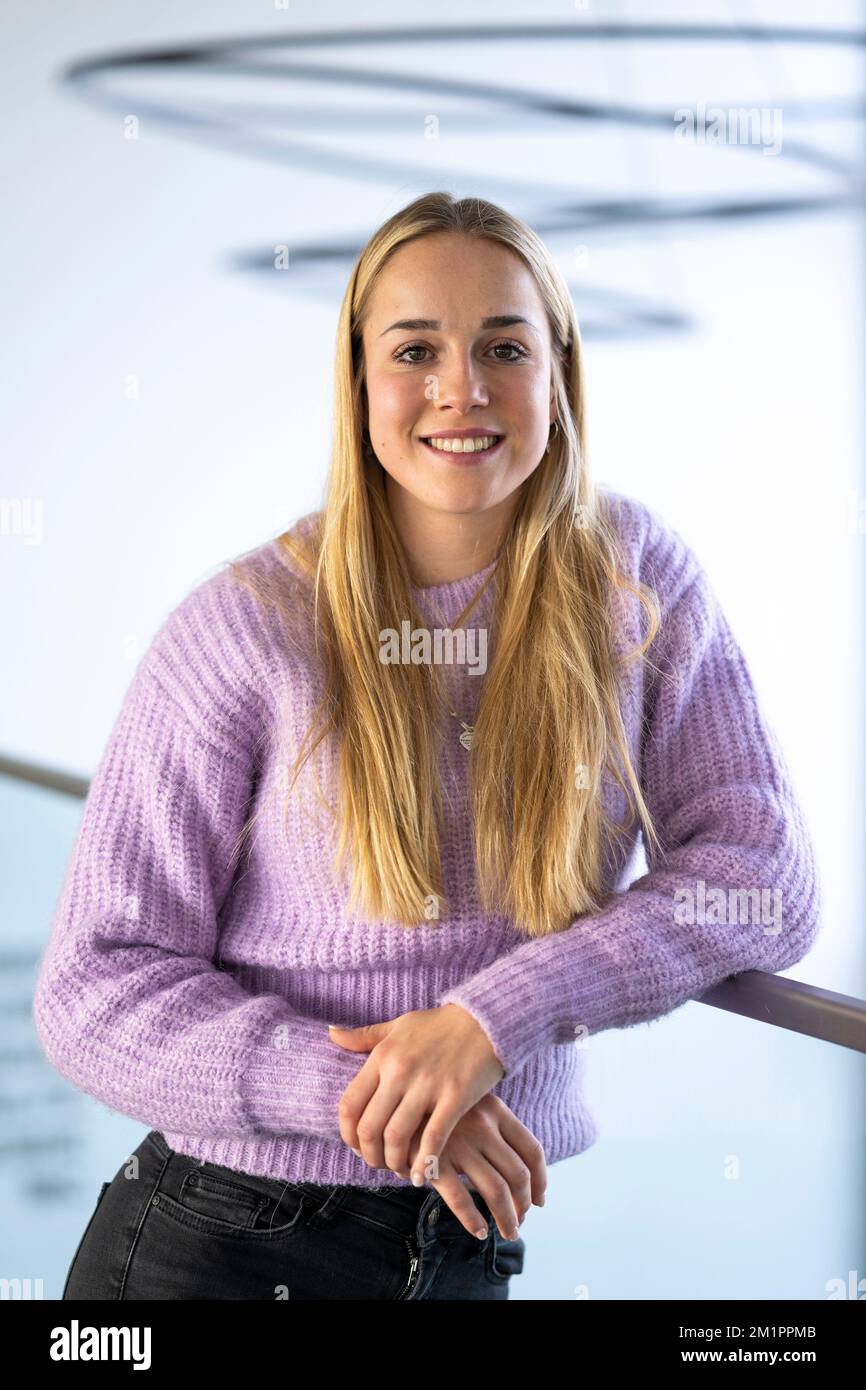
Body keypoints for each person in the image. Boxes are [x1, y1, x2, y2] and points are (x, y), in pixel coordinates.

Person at [33, 191, 822, 1301]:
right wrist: (378, 1096)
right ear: (358, 383)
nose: (463, 388)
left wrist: (490, 1020)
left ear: (558, 373)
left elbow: (764, 877)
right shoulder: (243, 628)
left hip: (463, 1249)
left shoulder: (637, 582)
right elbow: (94, 986)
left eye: (504, 345)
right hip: (215, 1244)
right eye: (415, 349)